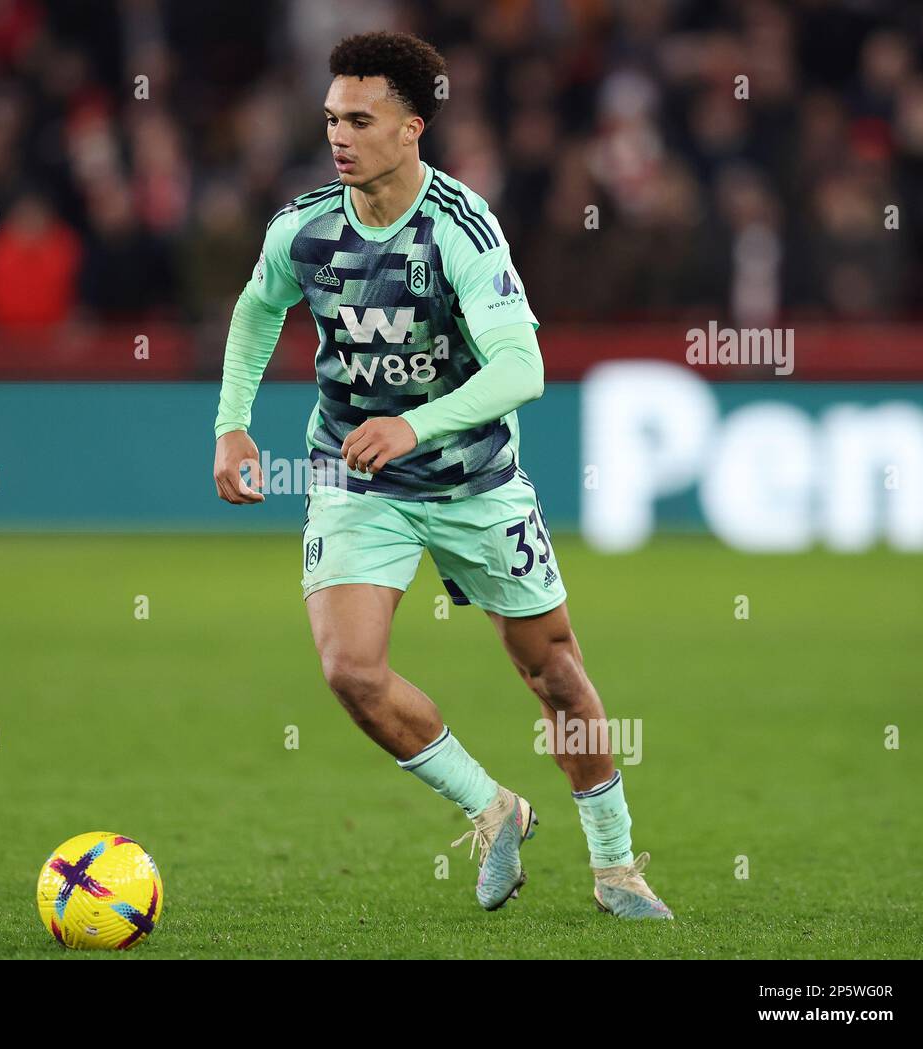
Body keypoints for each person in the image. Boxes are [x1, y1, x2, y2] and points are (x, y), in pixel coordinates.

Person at [212, 31, 672, 919]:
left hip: (472, 483)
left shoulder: (459, 228)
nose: (339, 136)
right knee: (350, 668)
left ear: (412, 127)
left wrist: (413, 422)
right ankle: (493, 807)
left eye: (360, 119)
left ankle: (615, 864)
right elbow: (254, 310)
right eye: (331, 119)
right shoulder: (305, 227)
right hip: (355, 477)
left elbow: (520, 368)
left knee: (556, 677)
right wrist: (232, 424)